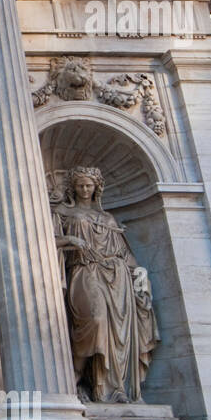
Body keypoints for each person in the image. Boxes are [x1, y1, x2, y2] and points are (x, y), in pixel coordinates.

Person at [53, 166, 159, 403]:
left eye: (89, 185)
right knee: (95, 320)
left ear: (96, 187)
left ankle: (114, 388)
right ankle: (75, 377)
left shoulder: (108, 219)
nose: (84, 189)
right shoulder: (63, 213)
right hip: (83, 271)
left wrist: (141, 282)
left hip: (117, 276)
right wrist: (69, 239)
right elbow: (43, 237)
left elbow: (126, 256)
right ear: (73, 187)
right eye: (80, 185)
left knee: (117, 332)